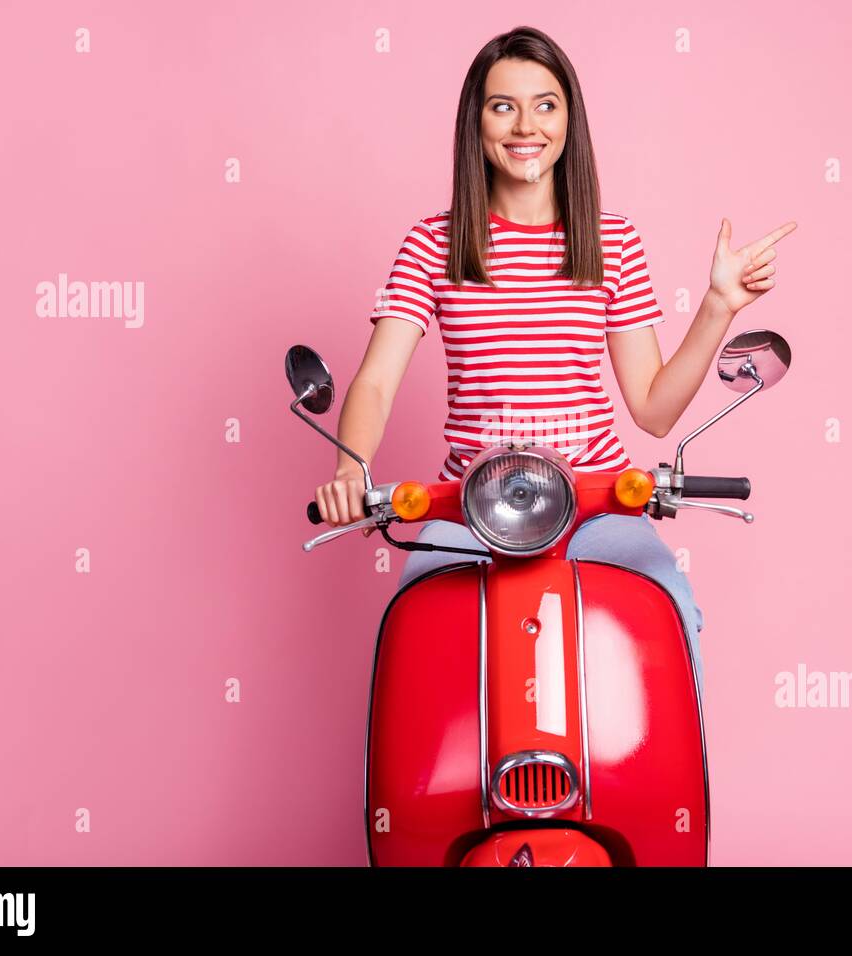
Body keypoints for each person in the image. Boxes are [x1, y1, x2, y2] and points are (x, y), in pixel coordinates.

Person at [313, 25, 796, 698]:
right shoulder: (434, 243)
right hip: (467, 510)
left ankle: (671, 804)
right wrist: (349, 466)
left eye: (545, 104)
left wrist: (719, 306)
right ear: (475, 123)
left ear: (569, 119)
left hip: (596, 505)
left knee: (674, 619)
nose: (525, 125)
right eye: (502, 105)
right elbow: (375, 380)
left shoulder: (611, 241)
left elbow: (654, 412)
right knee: (409, 637)